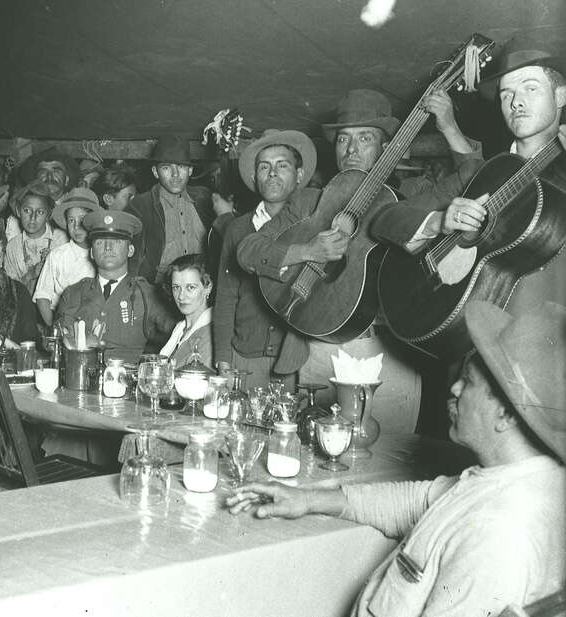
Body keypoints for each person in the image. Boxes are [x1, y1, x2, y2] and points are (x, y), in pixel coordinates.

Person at [226, 299, 566, 617]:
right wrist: (307, 499)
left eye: (468, 382)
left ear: (505, 413)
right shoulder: (526, 479)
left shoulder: (497, 538)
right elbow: (416, 501)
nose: (454, 389)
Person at [237, 89, 475, 433]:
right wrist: (307, 251)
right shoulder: (307, 202)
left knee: (387, 457)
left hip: (388, 351)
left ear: (386, 147)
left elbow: (473, 175)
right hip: (318, 348)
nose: (351, 150)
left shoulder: (408, 198)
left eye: (365, 138)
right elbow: (248, 249)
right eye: (343, 139)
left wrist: (450, 127)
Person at [371, 38, 566, 317]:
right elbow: (384, 219)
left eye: (530, 88)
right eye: (506, 94)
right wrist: (438, 222)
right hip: (468, 328)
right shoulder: (479, 175)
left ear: (560, 96)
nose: (516, 102)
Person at [214, 130, 318, 388]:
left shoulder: (314, 225)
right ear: (254, 177)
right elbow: (226, 297)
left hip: (299, 357)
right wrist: (223, 359)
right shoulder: (238, 229)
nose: (272, 173)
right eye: (264, 167)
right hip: (246, 355)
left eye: (282, 165)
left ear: (299, 175)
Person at [55, 210, 175, 363]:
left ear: (130, 250)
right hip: (80, 377)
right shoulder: (74, 293)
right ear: (91, 252)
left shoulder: (147, 294)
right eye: (100, 242)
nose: (107, 247)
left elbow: (178, 335)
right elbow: (55, 341)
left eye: (117, 241)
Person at [127, 135, 215, 283]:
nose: (175, 174)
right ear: (155, 172)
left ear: (190, 170)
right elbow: (133, 260)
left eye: (181, 167)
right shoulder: (141, 206)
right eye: (167, 167)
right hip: (159, 290)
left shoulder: (205, 199)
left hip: (202, 287)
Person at [32, 188, 100, 325]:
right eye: (71, 221)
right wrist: (55, 328)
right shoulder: (58, 255)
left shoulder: (101, 254)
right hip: (63, 321)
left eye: (82, 220)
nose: (76, 227)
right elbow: (42, 296)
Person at [4, 180, 67, 294]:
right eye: (27, 210)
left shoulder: (60, 240)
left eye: (40, 212)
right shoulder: (12, 247)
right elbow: (10, 290)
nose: (32, 218)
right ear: (18, 211)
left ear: (48, 214)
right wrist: (30, 274)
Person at [160, 254, 213, 368]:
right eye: (176, 287)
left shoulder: (210, 333)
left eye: (190, 287)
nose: (181, 296)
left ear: (208, 287)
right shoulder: (180, 329)